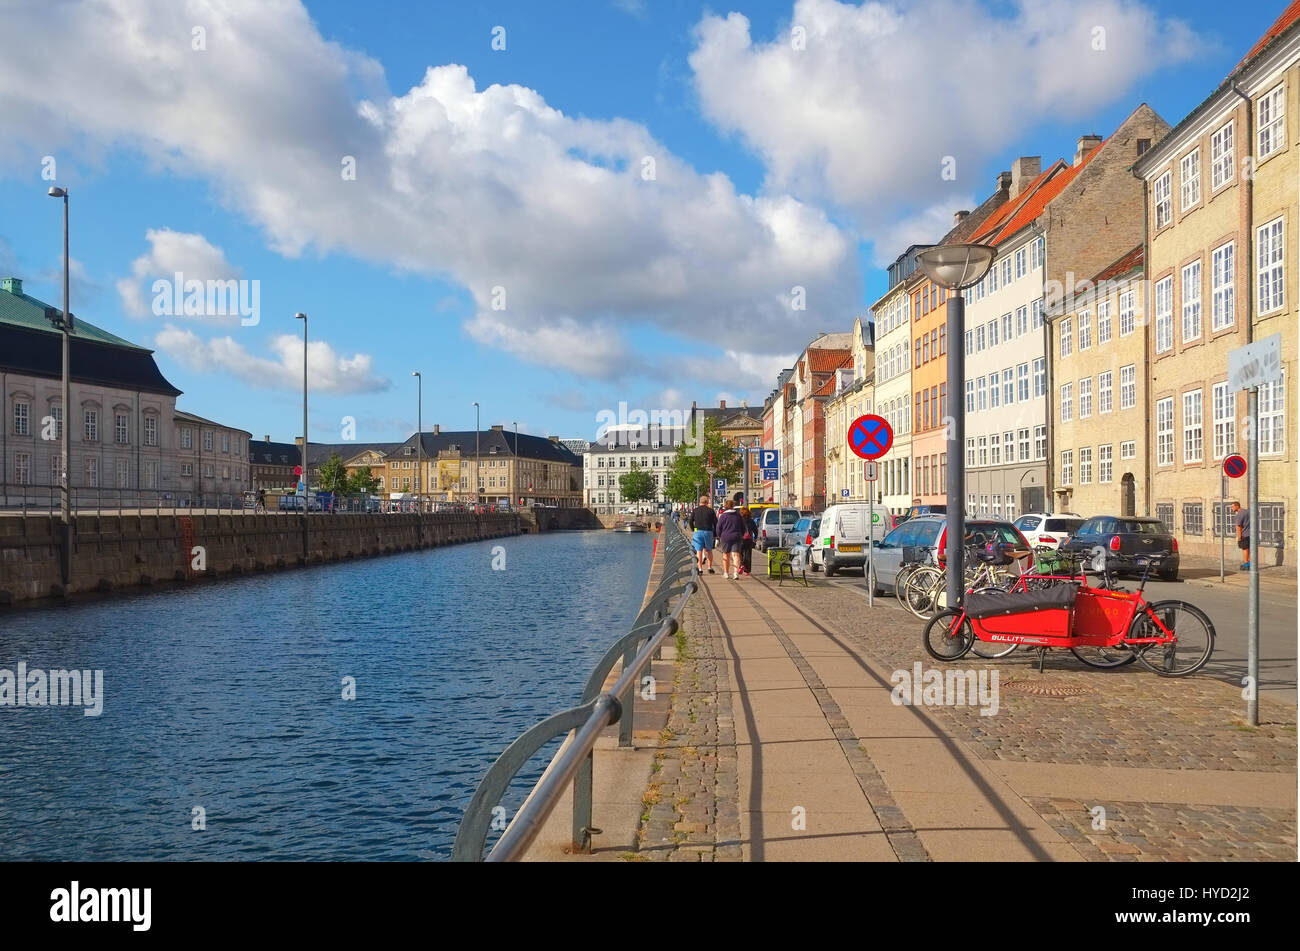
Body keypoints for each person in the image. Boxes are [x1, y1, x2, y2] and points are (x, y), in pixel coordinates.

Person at [716, 499, 746, 580]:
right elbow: (743, 527)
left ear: (725, 506)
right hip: (736, 537)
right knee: (736, 555)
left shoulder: (722, 516)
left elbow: (718, 528)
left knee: (726, 555)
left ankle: (726, 573)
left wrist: (718, 536)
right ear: (733, 506)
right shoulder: (738, 516)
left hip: (725, 537)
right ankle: (736, 573)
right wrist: (741, 535)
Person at [688, 495, 718, 573]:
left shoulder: (695, 510)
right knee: (709, 550)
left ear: (700, 502)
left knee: (699, 551)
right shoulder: (711, 511)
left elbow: (690, 521)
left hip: (698, 532)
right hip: (708, 531)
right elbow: (716, 523)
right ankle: (709, 567)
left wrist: (694, 529)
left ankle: (700, 569)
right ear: (707, 502)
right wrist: (715, 534)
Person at [739, 505, 758, 576]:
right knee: (748, 554)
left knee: (740, 553)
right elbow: (755, 530)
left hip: (740, 539)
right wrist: (755, 538)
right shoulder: (751, 521)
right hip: (749, 539)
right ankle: (747, 571)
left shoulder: (739, 520)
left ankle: (741, 565)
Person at [1233, 500, 1250, 570]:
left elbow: (1239, 527)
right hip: (1251, 534)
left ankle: (1246, 565)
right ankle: (1249, 563)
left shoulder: (1239, 514)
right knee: (1249, 549)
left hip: (1244, 535)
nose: (1232, 508)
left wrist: (1239, 537)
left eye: (1232, 506)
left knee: (1245, 549)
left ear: (1237, 506)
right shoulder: (1247, 512)